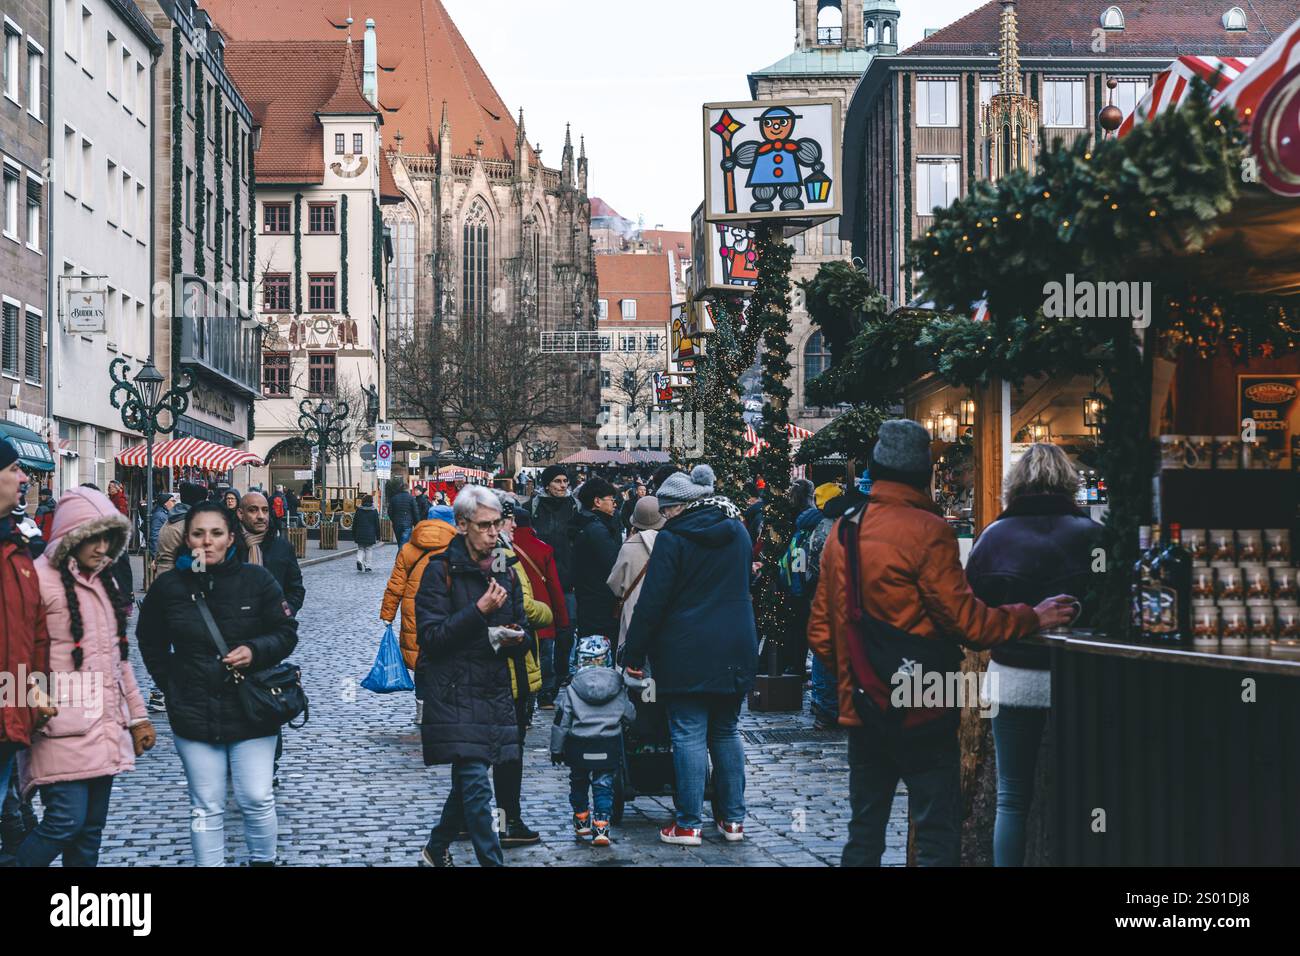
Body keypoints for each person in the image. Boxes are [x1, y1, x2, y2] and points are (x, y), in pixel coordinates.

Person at [807, 419, 1077, 867]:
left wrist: (860, 674)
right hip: (924, 704)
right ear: (924, 474)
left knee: (864, 830)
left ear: (875, 468)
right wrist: (1032, 616)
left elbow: (819, 632)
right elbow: (966, 623)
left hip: (863, 705)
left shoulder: (845, 530)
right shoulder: (928, 531)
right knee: (935, 827)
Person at [137, 502, 300, 866]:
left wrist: (254, 651)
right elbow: (150, 640)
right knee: (206, 804)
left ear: (230, 537)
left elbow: (286, 632)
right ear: (187, 539)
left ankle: (263, 861)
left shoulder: (257, 580)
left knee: (257, 796)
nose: (206, 542)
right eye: (198, 533)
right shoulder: (169, 587)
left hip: (252, 707)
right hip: (194, 710)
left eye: (215, 533)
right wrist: (172, 684)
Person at [966, 443, 1102, 867]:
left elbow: (974, 609)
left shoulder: (993, 537)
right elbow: (1115, 596)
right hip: (1076, 676)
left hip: (1014, 673)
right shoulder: (1092, 534)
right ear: (1068, 482)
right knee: (1083, 792)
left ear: (1016, 484)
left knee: (1012, 796)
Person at [17, 487, 156, 866]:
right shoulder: (39, 579)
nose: (101, 548)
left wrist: (138, 715)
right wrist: (32, 701)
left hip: (105, 724)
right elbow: (17, 651)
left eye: (108, 539)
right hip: (58, 725)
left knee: (90, 831)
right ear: (71, 536)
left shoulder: (104, 581)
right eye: (93, 538)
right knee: (64, 822)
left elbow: (119, 658)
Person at [623, 464, 758, 846]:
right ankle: (732, 820)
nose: (663, 515)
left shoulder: (673, 539)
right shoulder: (737, 530)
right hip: (735, 643)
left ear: (681, 506)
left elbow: (653, 603)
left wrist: (633, 653)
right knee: (726, 730)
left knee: (688, 733)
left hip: (687, 648)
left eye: (666, 509)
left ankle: (688, 824)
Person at [414, 485, 527, 867]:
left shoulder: (505, 570)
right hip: (455, 691)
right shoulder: (439, 571)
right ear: (462, 525)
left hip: (493, 690)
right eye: (485, 525)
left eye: (498, 524)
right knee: (477, 783)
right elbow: (430, 639)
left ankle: (435, 847)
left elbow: (519, 625)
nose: (495, 533)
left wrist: (515, 637)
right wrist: (479, 612)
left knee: (469, 782)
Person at [1, 442, 54, 805]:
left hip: (9, 718)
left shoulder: (19, 550)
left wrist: (36, 692)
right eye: (14, 469)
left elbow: (35, 637)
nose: (24, 478)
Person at [550, 636, 635, 847]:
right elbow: (630, 715)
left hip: (579, 746)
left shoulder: (572, 688)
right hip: (608, 744)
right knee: (604, 786)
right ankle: (601, 827)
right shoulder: (617, 686)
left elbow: (562, 721)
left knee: (578, 782)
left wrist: (556, 750)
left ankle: (581, 820)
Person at [527, 465, 580, 702]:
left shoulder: (574, 508)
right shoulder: (533, 508)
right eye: (557, 481)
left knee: (566, 634)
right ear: (547, 484)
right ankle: (546, 686)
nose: (562, 485)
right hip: (541, 581)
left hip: (568, 582)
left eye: (565, 481)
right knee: (544, 637)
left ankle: (560, 676)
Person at [510, 505, 569, 710]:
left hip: (516, 613)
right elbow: (554, 585)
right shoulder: (543, 548)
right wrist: (561, 618)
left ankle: (524, 703)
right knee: (544, 656)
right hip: (543, 610)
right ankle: (545, 697)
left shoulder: (503, 548)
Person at [606, 495, 664, 655]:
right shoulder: (669, 542)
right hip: (663, 614)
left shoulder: (629, 546)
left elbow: (614, 583)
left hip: (634, 613)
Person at [571, 477, 623, 643]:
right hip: (600, 603)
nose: (614, 504)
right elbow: (614, 563)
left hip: (588, 599)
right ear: (597, 502)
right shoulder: (597, 529)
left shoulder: (586, 523)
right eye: (611, 500)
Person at [235, 492, 305, 614]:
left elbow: (296, 590)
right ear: (240, 514)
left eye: (265, 510)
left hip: (273, 624)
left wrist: (286, 613)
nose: (261, 516)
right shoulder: (229, 546)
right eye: (253, 510)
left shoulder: (283, 547)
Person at [154, 481, 209, 574]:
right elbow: (198, 565)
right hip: (179, 578)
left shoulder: (172, 518)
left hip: (163, 575)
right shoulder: (191, 524)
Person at [387, 479, 420, 547]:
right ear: (407, 489)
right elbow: (415, 512)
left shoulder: (394, 498)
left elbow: (389, 512)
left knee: (400, 543)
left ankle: (401, 556)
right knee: (404, 544)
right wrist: (417, 523)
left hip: (397, 523)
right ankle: (400, 556)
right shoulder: (411, 498)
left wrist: (394, 519)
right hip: (407, 523)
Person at [353, 494, 381, 572]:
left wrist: (354, 533)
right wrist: (378, 535)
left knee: (361, 548)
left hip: (360, 532)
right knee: (369, 549)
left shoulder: (359, 510)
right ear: (371, 501)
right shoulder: (374, 511)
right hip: (370, 533)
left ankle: (359, 560)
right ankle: (368, 566)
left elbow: (355, 523)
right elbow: (377, 524)